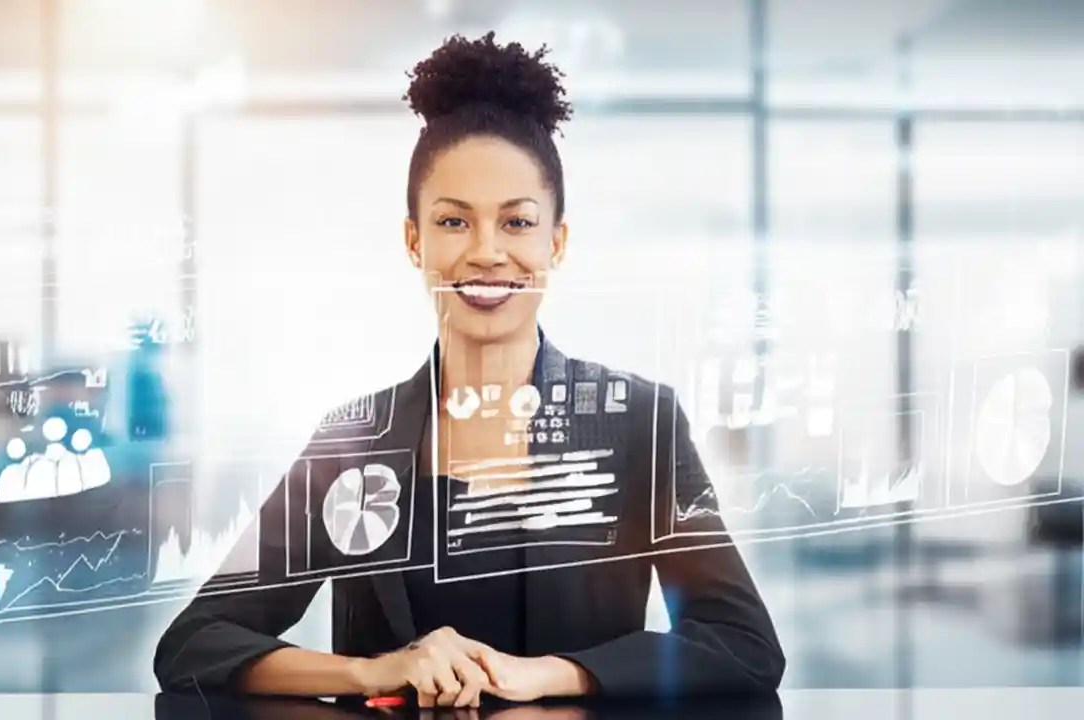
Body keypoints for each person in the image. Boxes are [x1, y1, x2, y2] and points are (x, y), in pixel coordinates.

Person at [154, 31, 784, 707]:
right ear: (414, 240)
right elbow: (196, 642)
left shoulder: (638, 423)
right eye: (454, 223)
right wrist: (376, 671)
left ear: (556, 242)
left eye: (517, 224)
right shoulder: (354, 440)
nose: (486, 253)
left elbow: (742, 644)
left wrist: (553, 673)